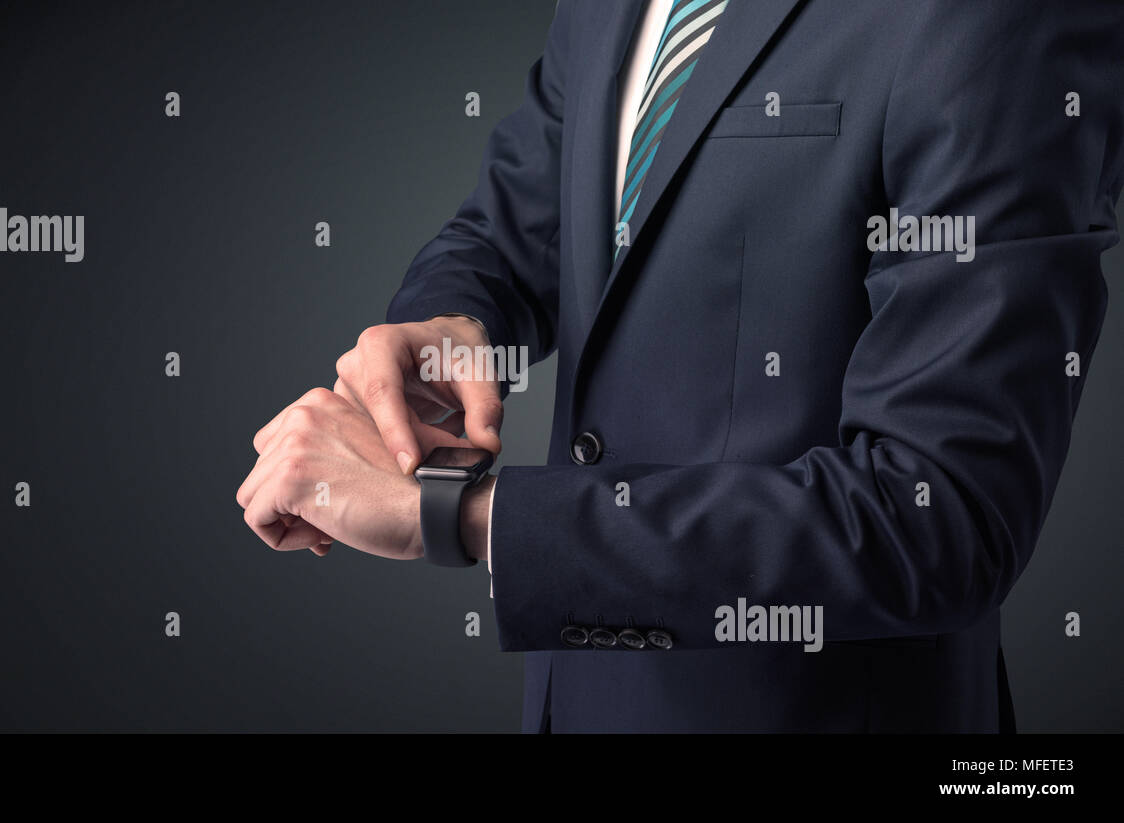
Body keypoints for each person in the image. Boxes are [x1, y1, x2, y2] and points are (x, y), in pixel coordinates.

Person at [236, 0, 1124, 732]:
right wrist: (454, 320)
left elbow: (942, 515)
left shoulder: (1000, 20)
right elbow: (520, 216)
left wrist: (463, 515)